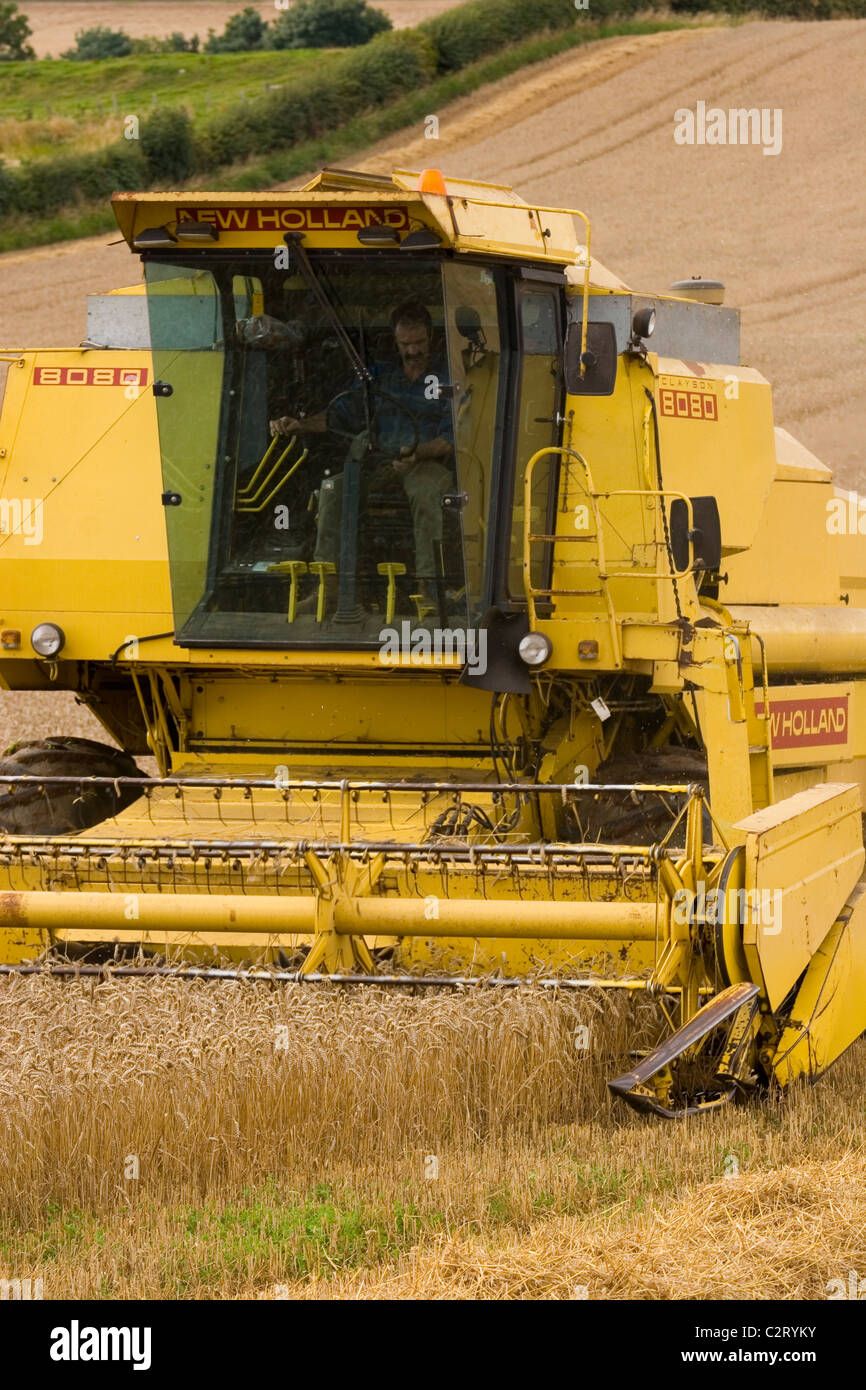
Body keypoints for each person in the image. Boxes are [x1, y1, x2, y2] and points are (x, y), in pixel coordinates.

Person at [269, 299, 454, 597]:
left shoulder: (448, 375)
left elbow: (451, 438)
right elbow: (342, 413)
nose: (413, 351)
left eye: (419, 342)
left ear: (430, 337)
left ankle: (428, 588)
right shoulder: (379, 375)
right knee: (332, 489)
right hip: (380, 462)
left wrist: (416, 453)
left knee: (425, 493)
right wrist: (299, 424)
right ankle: (326, 587)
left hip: (428, 464)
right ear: (395, 341)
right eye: (405, 343)